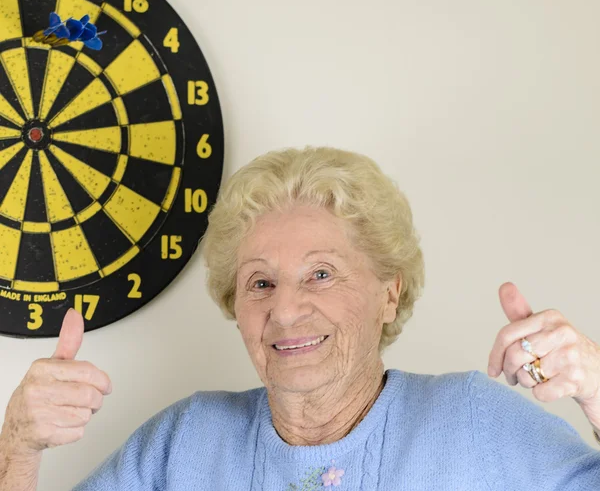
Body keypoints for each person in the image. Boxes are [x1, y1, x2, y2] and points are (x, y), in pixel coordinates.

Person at [1, 146, 599, 491]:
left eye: (321, 274)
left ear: (388, 294)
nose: (284, 309)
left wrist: (596, 388)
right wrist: (19, 445)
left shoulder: (471, 423)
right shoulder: (185, 444)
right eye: (260, 282)